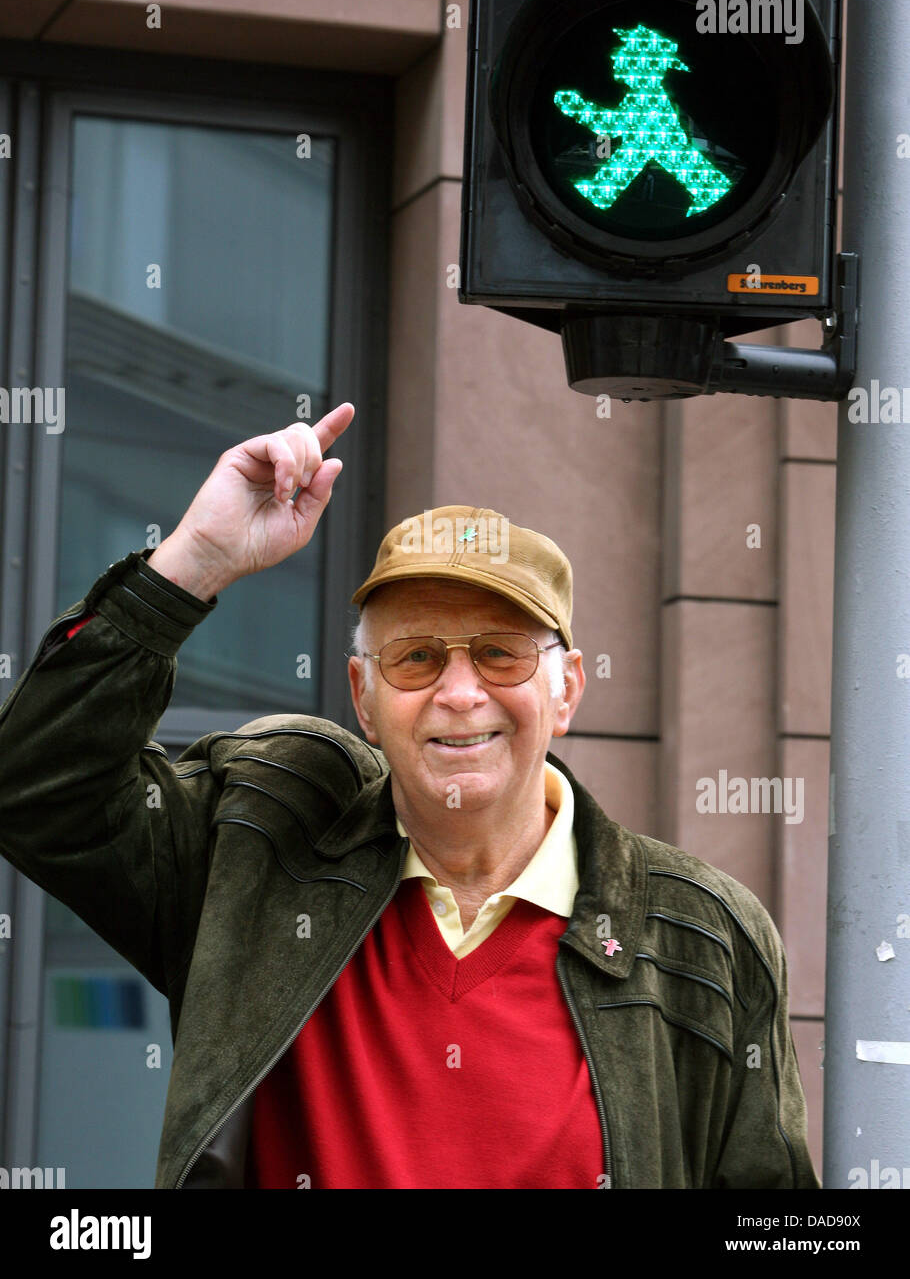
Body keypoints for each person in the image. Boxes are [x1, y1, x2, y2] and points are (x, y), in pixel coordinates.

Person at [0, 405, 819, 1189]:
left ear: (567, 689)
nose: (459, 693)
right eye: (416, 657)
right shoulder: (257, 846)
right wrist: (194, 564)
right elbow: (37, 788)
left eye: (499, 654)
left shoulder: (703, 939)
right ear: (362, 697)